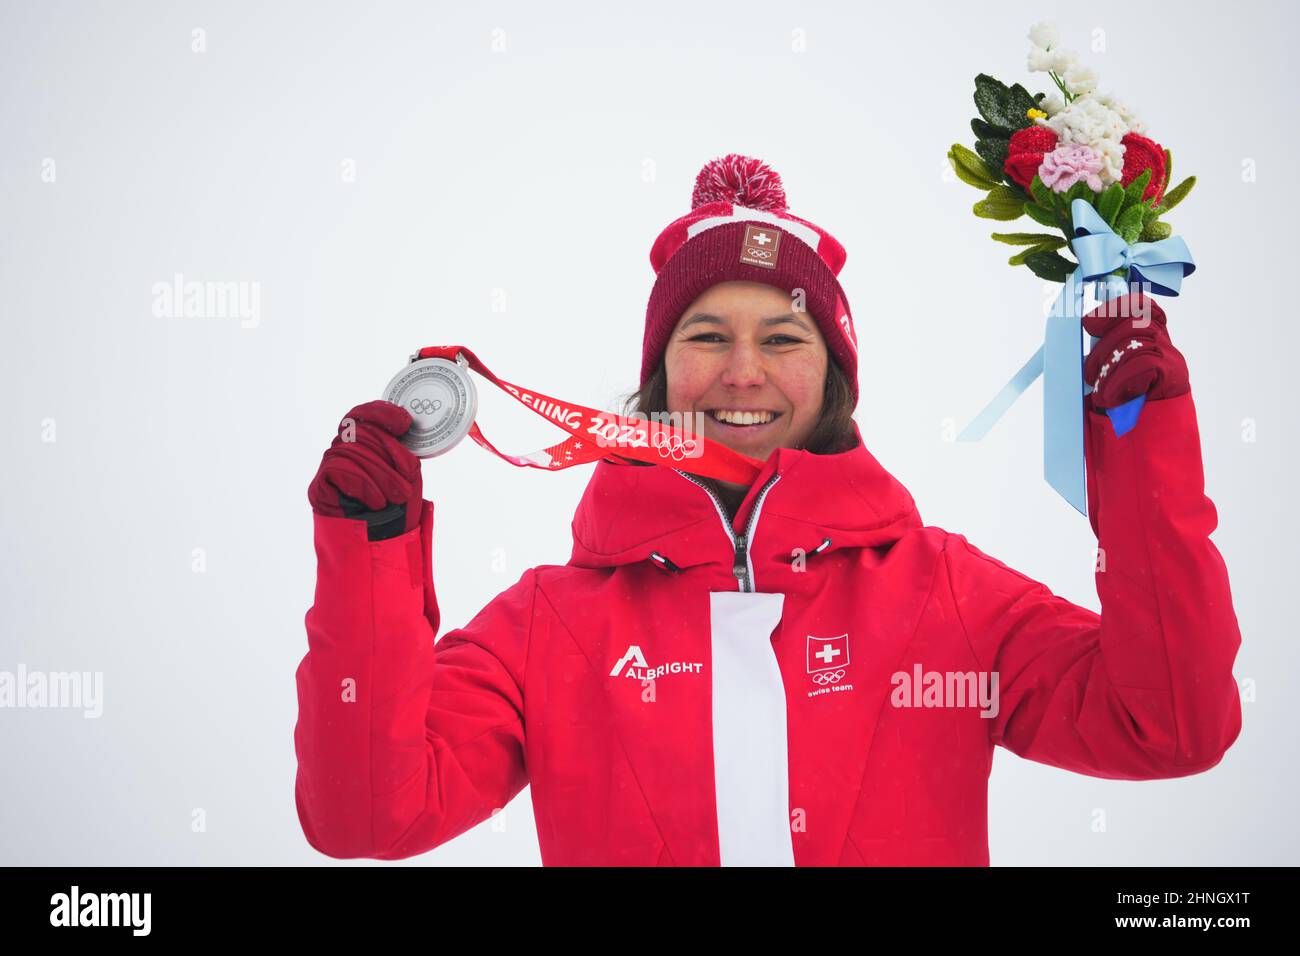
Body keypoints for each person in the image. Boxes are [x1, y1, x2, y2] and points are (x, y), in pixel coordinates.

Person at [295, 154, 1243, 866]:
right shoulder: (551, 626)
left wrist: (1138, 441)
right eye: (705, 335)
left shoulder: (943, 595)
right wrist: (368, 551)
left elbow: (1167, 727)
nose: (743, 371)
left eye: (784, 337)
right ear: (659, 375)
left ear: (834, 374)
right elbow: (370, 813)